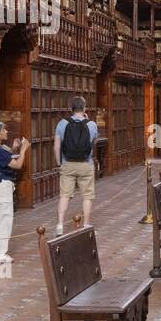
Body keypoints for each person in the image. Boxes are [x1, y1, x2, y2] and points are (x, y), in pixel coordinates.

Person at [0, 120, 29, 263]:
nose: (6, 132)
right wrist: (23, 150)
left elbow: (6, 159)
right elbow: (17, 165)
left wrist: (14, 149)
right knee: (4, 219)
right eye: (3, 130)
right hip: (1, 185)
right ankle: (0, 254)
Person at [54, 96, 100, 234]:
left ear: (71, 109)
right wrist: (87, 120)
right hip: (86, 164)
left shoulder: (62, 123)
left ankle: (60, 225)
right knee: (87, 196)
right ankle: (85, 224)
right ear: (84, 108)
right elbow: (94, 142)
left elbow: (56, 147)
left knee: (64, 195)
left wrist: (59, 163)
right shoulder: (91, 124)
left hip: (67, 163)